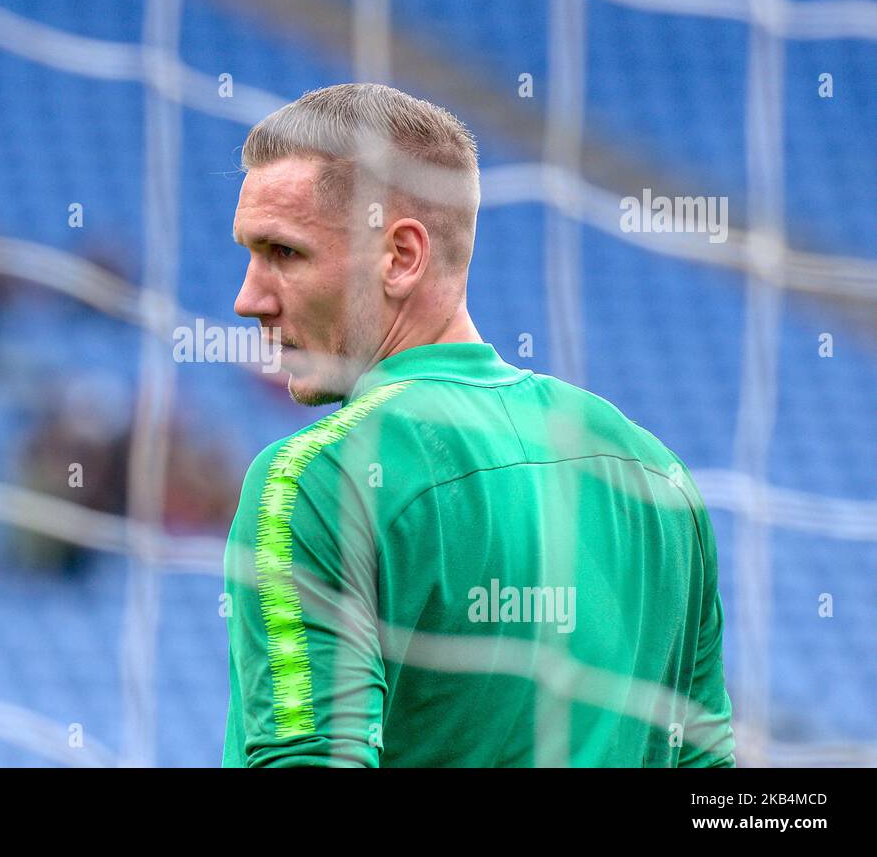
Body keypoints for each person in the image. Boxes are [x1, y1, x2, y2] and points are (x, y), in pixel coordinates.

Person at [221, 83, 735, 767]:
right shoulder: (655, 476)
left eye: (283, 253)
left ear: (401, 256)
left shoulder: (320, 478)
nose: (246, 297)